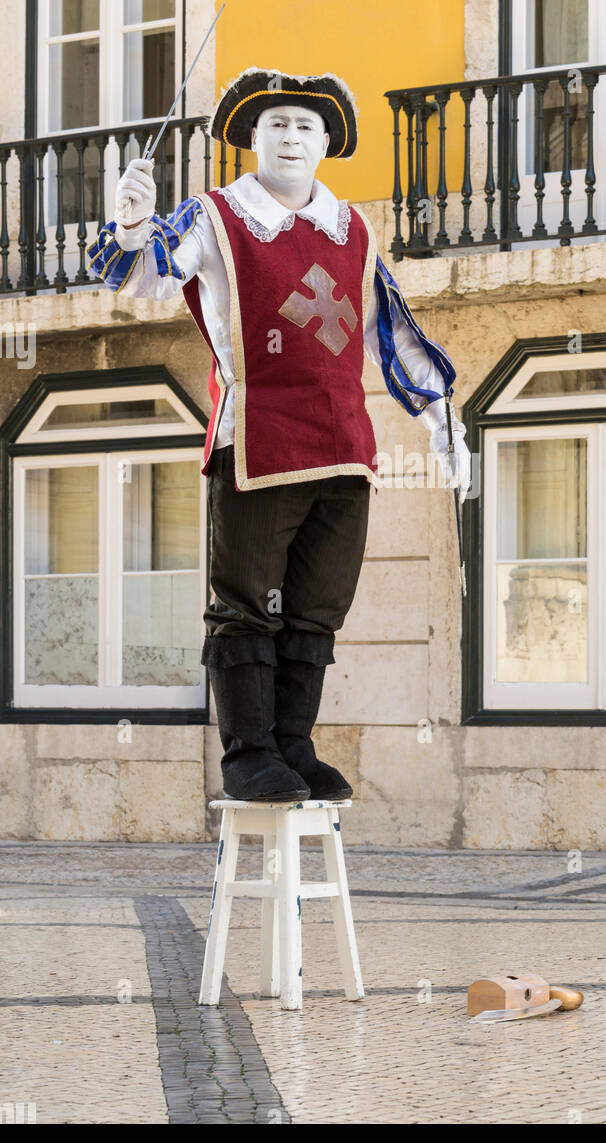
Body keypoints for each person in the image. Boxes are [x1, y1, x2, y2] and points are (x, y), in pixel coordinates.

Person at [88, 68, 470, 803]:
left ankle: (293, 745)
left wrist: (442, 426)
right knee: (245, 604)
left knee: (316, 609)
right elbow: (141, 280)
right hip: (256, 443)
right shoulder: (216, 217)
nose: (292, 136)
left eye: (306, 125)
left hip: (345, 450)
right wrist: (133, 221)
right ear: (252, 139)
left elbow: (392, 334)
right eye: (277, 125)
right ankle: (249, 754)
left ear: (325, 143)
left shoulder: (353, 229)